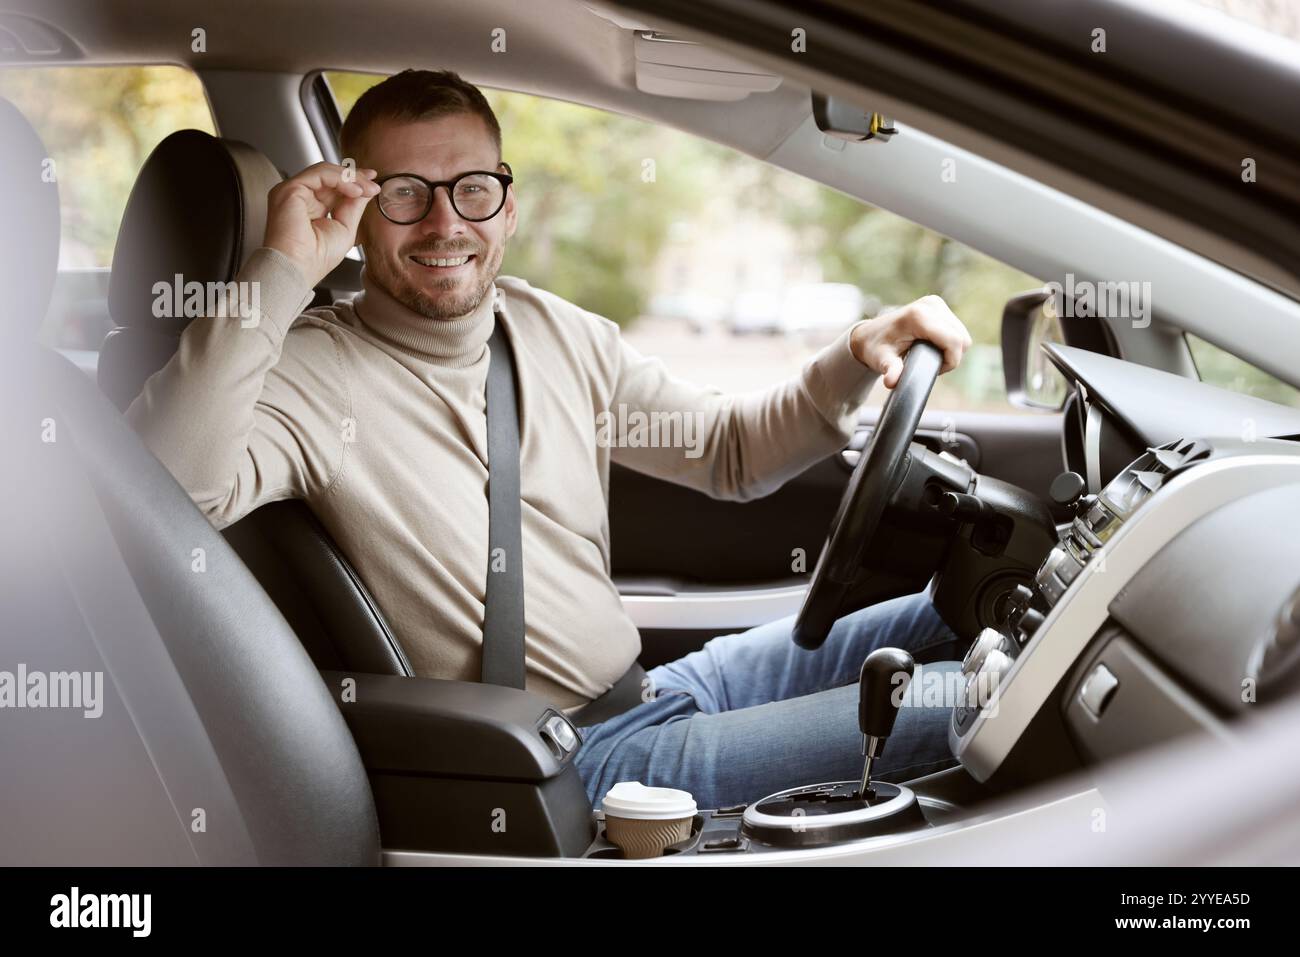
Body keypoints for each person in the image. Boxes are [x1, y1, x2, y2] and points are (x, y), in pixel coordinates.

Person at [126, 69, 973, 811]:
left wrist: (857, 356)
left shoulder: (550, 328)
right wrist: (278, 268)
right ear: (359, 208)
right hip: (570, 762)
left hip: (663, 690)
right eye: (405, 192)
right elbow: (160, 487)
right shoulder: (309, 372)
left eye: (471, 189)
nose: (443, 223)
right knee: (972, 703)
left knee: (966, 602)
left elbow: (730, 451)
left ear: (508, 201)